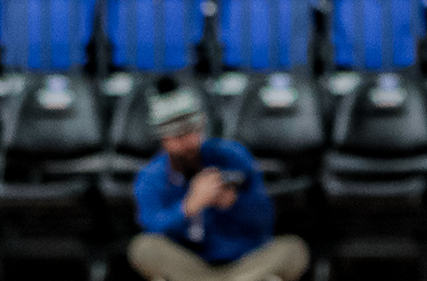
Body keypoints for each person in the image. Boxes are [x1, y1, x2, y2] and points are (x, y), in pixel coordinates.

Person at [128, 80, 309, 281]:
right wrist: (189, 206)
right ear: (163, 139)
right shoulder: (151, 177)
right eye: (177, 136)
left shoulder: (232, 156)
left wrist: (233, 203)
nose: (188, 142)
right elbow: (152, 227)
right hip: (190, 267)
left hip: (242, 263)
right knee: (142, 247)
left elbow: (266, 220)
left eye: (192, 131)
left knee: (293, 249)